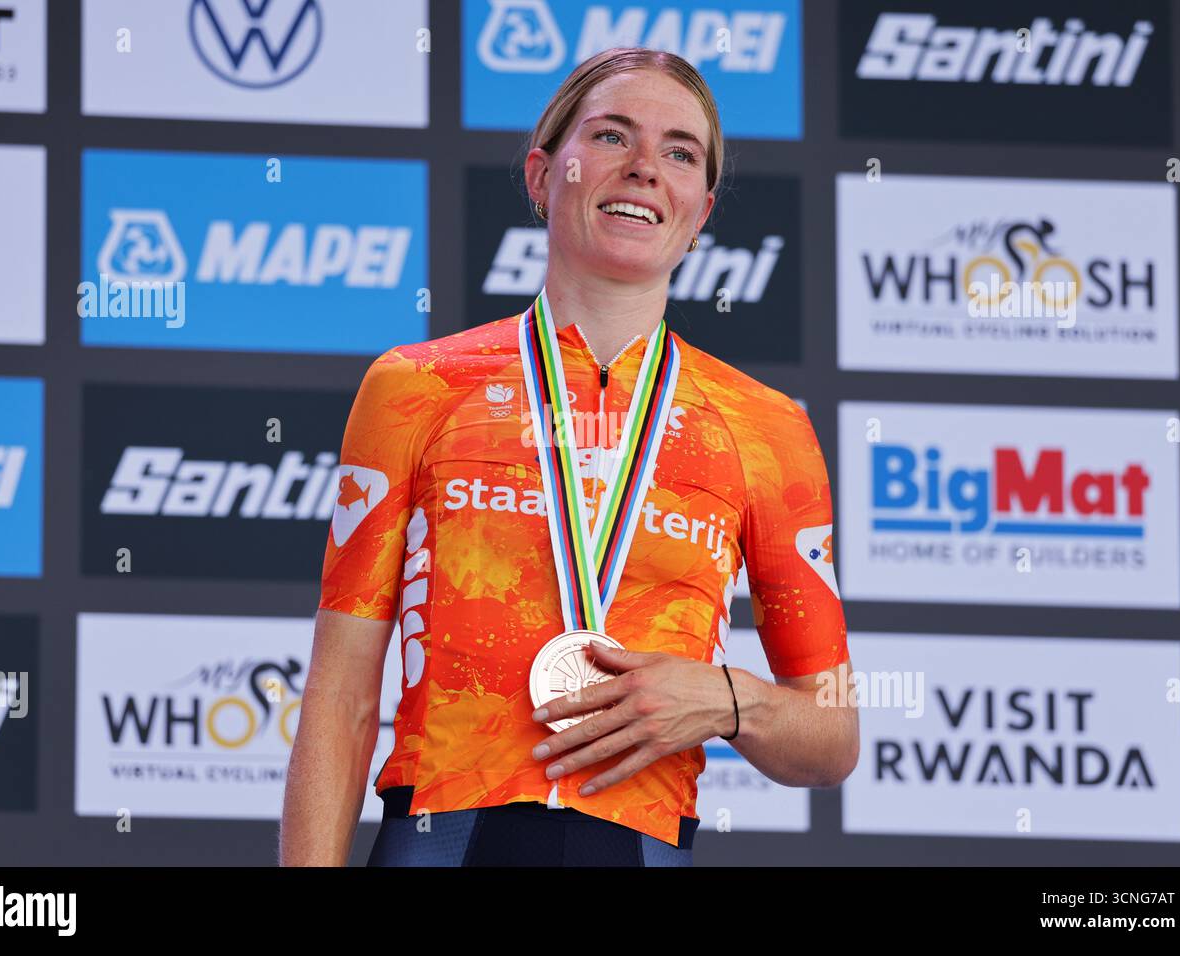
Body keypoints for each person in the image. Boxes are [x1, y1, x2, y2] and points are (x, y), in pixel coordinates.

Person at [279, 47, 857, 867]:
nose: (646, 169)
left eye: (680, 153)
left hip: (643, 846)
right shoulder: (414, 387)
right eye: (614, 136)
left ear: (700, 214)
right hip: (442, 838)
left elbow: (831, 735)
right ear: (544, 175)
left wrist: (727, 700)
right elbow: (339, 696)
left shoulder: (765, 428)